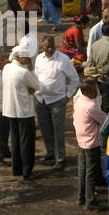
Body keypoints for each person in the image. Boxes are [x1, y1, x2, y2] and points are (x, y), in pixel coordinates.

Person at [35, 34, 79, 169]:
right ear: (42, 47)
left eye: (51, 47)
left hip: (57, 101)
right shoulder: (38, 59)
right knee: (45, 129)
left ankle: (60, 158)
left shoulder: (63, 60)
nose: (49, 50)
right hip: (41, 100)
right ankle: (50, 152)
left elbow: (75, 79)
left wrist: (68, 96)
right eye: (46, 47)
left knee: (58, 130)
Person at [2, 47, 40, 182]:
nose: (28, 59)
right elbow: (37, 85)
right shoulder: (24, 72)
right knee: (26, 142)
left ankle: (17, 168)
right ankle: (27, 171)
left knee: (16, 140)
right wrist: (31, 69)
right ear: (19, 57)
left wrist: (29, 88)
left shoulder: (6, 68)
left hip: (10, 109)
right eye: (26, 57)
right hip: (23, 111)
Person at [73, 78, 105, 210]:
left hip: (81, 139)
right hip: (91, 142)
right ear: (86, 91)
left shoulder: (79, 101)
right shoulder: (91, 105)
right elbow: (103, 119)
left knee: (83, 170)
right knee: (90, 172)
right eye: (93, 91)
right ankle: (90, 201)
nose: (96, 93)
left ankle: (81, 196)